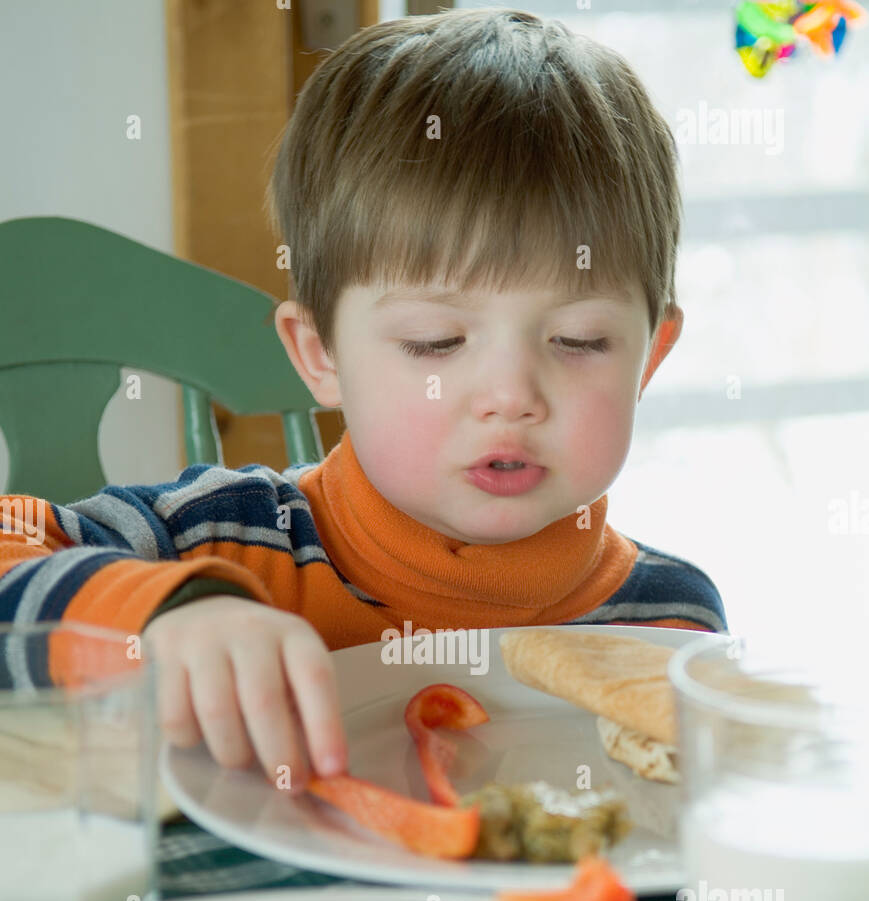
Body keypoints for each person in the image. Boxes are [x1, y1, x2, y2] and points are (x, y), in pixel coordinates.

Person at [0, 10, 726, 792]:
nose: (510, 397)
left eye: (580, 341)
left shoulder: (670, 626)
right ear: (321, 355)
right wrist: (167, 614)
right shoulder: (224, 538)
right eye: (434, 342)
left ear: (648, 357)